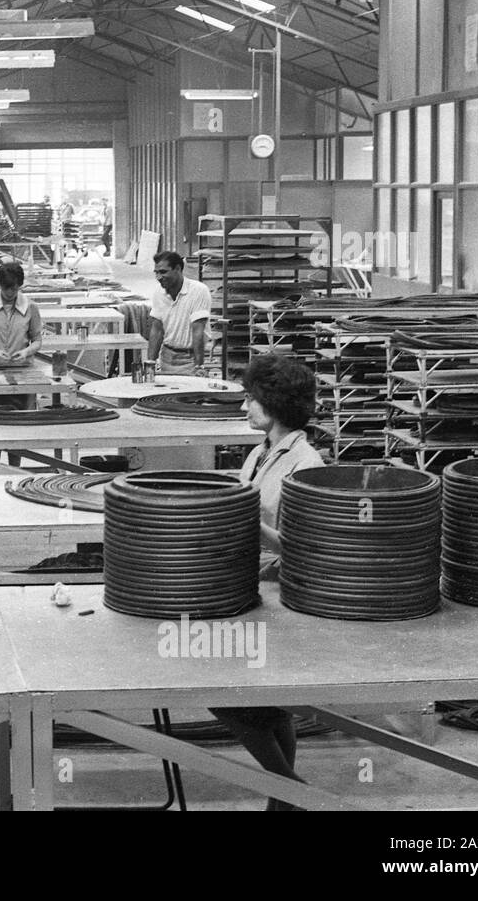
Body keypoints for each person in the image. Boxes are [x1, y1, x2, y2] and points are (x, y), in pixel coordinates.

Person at [209, 353, 323, 811]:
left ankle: (289, 789)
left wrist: (243, 517)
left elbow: (306, 547)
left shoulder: (305, 463)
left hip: (279, 598)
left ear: (275, 403)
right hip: (249, 588)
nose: (244, 408)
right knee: (266, 703)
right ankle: (284, 798)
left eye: (251, 400)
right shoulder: (260, 453)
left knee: (225, 694)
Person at [0, 260, 43, 464]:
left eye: (13, 288)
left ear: (20, 285)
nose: (9, 292)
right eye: (5, 287)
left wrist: (26, 351)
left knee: (18, 428)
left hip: (21, 374)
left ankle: (15, 470)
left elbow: (38, 340)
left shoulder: (30, 307)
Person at [145, 250, 212, 376]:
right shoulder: (159, 293)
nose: (159, 277)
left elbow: (198, 331)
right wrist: (150, 363)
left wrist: (199, 366)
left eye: (163, 272)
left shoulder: (198, 291)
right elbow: (157, 330)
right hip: (167, 358)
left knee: (190, 394)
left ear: (177, 269)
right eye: (156, 273)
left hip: (190, 360)